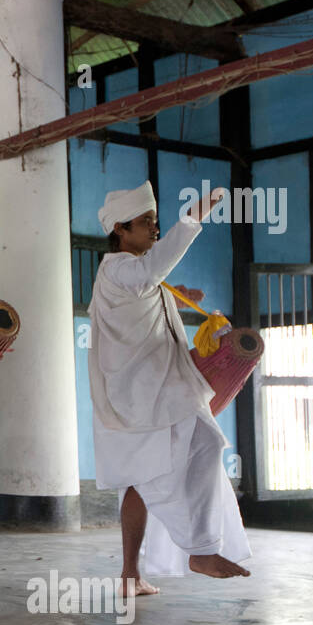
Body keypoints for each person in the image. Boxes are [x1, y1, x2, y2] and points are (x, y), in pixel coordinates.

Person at [89, 181, 252, 596]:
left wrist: (176, 300)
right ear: (121, 231)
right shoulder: (120, 268)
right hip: (146, 394)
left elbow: (140, 296)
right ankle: (200, 549)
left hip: (149, 394)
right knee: (206, 443)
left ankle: (130, 575)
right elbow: (146, 275)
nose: (154, 230)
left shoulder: (133, 275)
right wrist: (191, 219)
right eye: (146, 223)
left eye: (157, 222)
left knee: (139, 481)